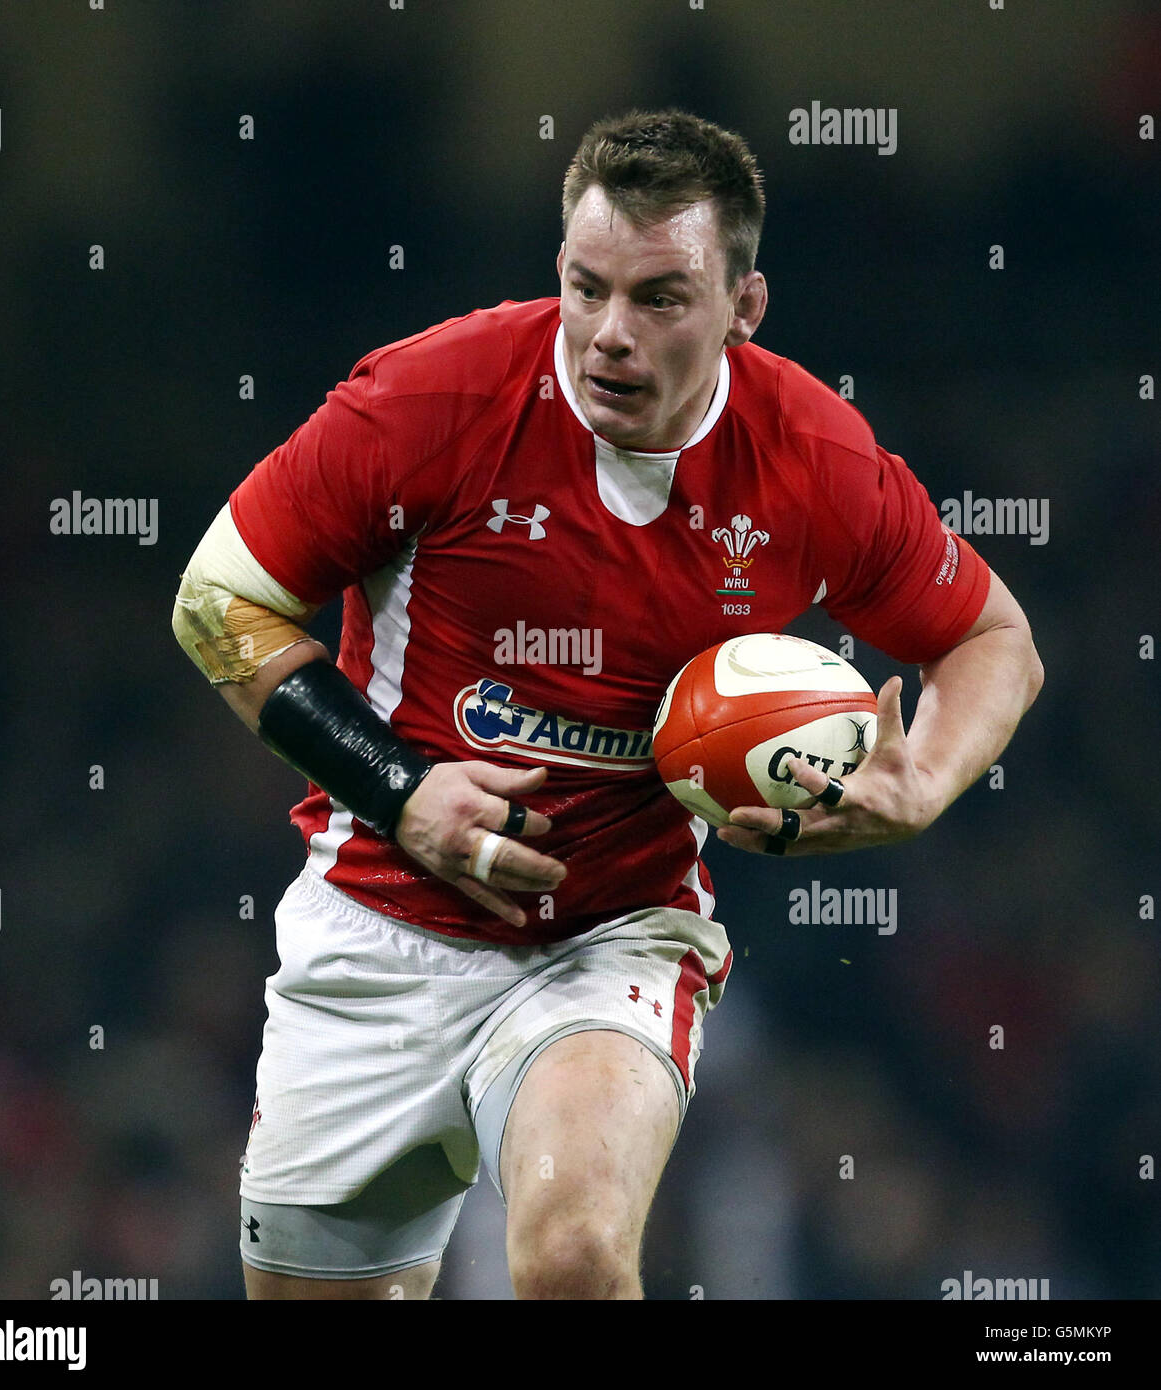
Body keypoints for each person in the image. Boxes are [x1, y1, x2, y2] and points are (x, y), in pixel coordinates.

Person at [171, 108, 1043, 1300]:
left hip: (610, 934)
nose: (608, 337)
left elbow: (992, 638)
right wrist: (402, 792)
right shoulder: (430, 398)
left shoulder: (810, 458)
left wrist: (924, 780)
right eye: (586, 289)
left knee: (572, 1257)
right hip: (375, 924)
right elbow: (218, 601)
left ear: (743, 307)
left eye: (658, 298)